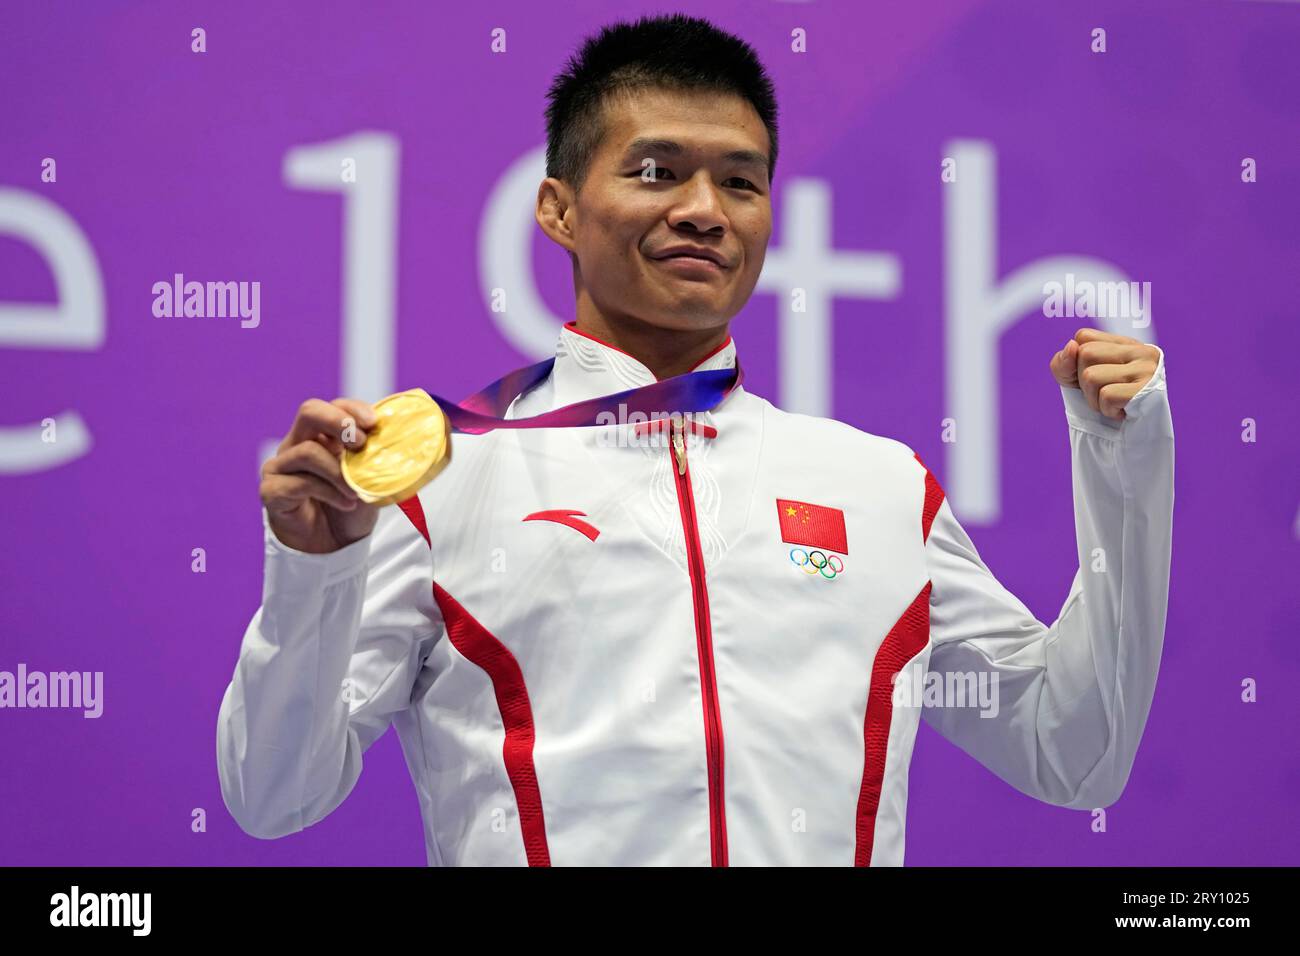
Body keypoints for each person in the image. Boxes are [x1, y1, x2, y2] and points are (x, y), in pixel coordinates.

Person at [216, 13, 1174, 866]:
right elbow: (275, 797)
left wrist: (1124, 468)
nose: (704, 210)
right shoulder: (443, 480)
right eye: (655, 171)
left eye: (740, 182)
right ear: (557, 209)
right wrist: (313, 573)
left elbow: (1071, 751)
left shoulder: (880, 487)